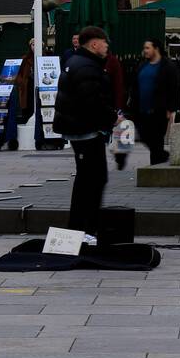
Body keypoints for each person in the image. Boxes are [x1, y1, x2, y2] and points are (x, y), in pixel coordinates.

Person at [52, 25, 117, 239]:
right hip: (86, 131)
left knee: (88, 179)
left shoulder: (77, 62)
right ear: (95, 44)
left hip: (79, 129)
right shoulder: (87, 66)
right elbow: (92, 102)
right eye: (104, 42)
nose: (107, 46)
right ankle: (85, 230)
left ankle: (81, 228)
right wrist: (113, 118)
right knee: (92, 180)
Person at [125, 37, 180, 166]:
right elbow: (135, 85)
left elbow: (174, 88)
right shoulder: (143, 65)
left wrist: (171, 108)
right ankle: (161, 156)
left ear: (156, 49)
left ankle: (156, 165)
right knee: (145, 137)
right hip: (141, 110)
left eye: (147, 48)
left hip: (159, 110)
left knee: (156, 139)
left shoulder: (167, 66)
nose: (145, 51)